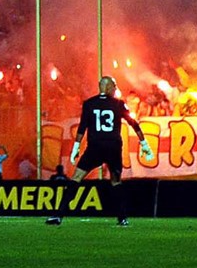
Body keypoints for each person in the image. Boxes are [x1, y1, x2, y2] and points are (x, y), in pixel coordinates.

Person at [48, 76, 147, 228]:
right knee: (115, 181)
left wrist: (76, 148)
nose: (115, 89)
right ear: (108, 88)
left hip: (94, 147)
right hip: (113, 147)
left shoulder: (89, 103)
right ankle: (122, 218)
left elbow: (82, 127)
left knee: (77, 177)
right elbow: (133, 123)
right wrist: (143, 142)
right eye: (114, 86)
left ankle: (58, 215)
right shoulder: (118, 104)